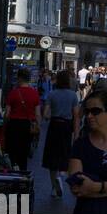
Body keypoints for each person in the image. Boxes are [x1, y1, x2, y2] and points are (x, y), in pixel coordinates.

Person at [42, 69, 80, 197]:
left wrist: (51, 114)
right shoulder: (73, 95)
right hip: (66, 127)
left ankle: (54, 185)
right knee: (65, 153)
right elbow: (76, 116)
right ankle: (65, 177)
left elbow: (45, 114)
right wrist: (76, 133)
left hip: (54, 126)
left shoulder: (52, 94)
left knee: (52, 156)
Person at [3, 67, 41, 173]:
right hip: (27, 127)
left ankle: (12, 174)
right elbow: (38, 114)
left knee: (11, 153)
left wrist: (5, 126)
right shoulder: (34, 94)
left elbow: (7, 113)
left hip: (14, 125)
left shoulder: (13, 93)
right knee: (24, 153)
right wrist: (38, 127)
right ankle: (22, 175)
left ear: (19, 78)